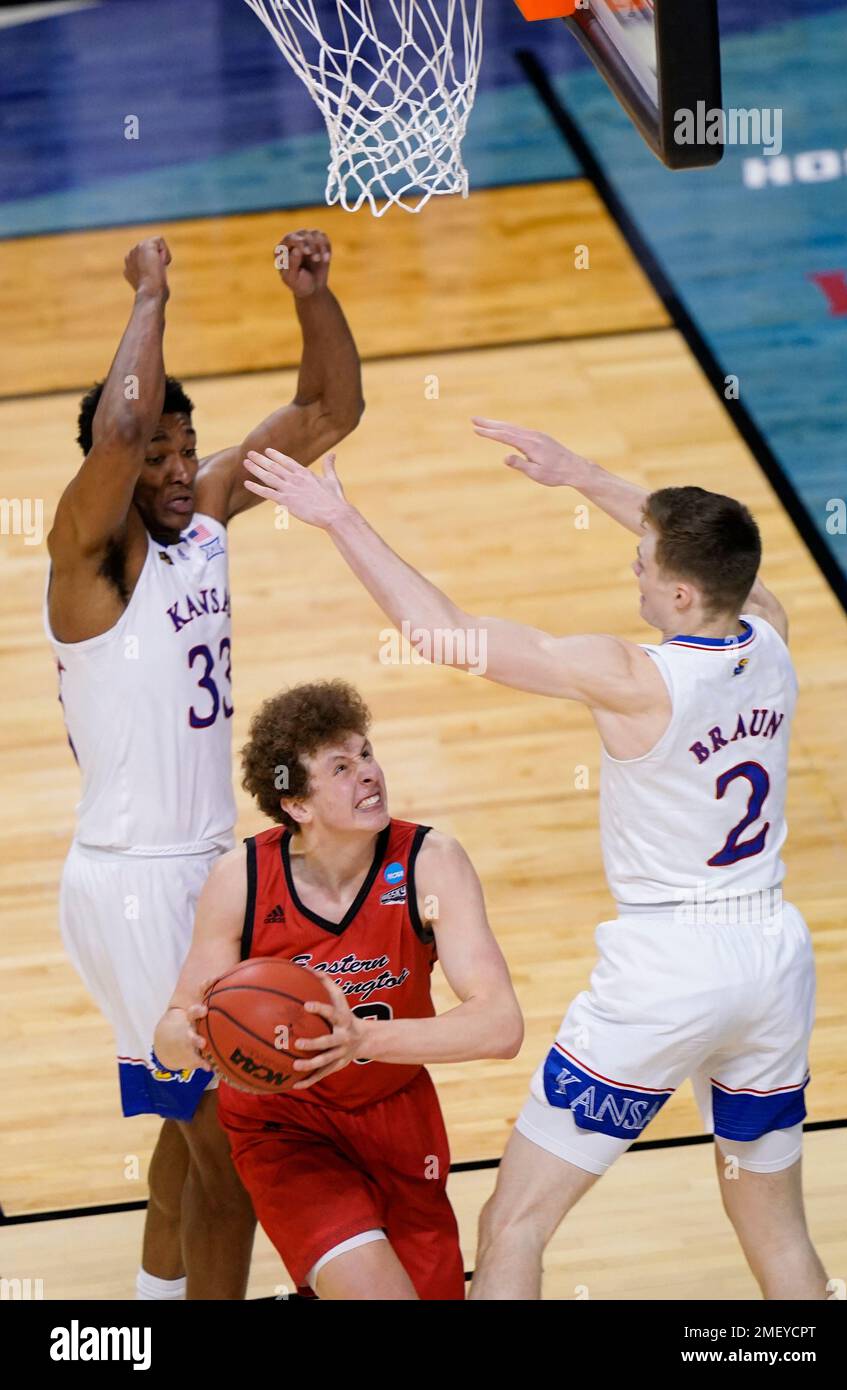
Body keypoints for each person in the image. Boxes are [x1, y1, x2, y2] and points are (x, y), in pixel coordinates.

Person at [238, 419, 828, 1302]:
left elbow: (446, 634)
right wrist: (585, 473)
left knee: (513, 1224)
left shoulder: (631, 675)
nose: (632, 564)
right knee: (778, 1232)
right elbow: (707, 555)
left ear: (675, 596)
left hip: (671, 970)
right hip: (776, 958)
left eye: (643, 562)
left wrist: (339, 520)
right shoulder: (772, 636)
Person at [45, 229, 363, 1299]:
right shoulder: (86, 560)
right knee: (234, 1158)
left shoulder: (207, 516)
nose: (179, 468)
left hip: (190, 870)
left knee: (189, 1139)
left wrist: (311, 299)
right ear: (110, 467)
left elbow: (329, 411)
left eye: (189, 449)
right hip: (142, 882)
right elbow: (123, 418)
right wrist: (151, 289)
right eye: (156, 456)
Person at [154, 679, 523, 1300]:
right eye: (341, 768)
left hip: (399, 1117)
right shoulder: (240, 880)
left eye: (367, 754)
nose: (369, 775)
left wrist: (360, 1039)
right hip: (286, 1125)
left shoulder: (431, 861)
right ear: (297, 804)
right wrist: (197, 1040)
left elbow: (500, 1026)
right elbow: (166, 1038)